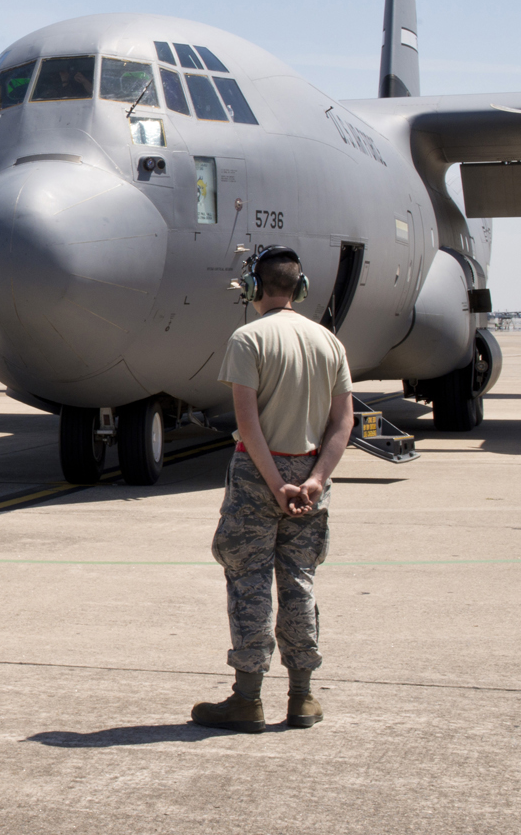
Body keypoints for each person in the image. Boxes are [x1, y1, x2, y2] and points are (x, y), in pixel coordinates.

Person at [192, 246, 354, 733]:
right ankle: (302, 698)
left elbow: (247, 422)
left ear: (253, 288)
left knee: (249, 581)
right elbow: (343, 421)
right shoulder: (329, 342)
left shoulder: (248, 339)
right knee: (299, 582)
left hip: (258, 474)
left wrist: (275, 482)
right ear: (300, 290)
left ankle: (247, 700)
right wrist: (314, 480)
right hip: (309, 472)